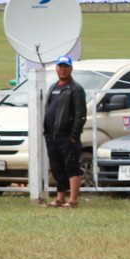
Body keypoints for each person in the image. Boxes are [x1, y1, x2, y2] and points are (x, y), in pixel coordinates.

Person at [43, 55, 86, 209]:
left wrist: (74, 136)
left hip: (67, 136)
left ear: (71, 69)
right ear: (56, 69)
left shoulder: (76, 89)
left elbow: (80, 114)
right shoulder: (53, 87)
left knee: (71, 166)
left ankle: (73, 200)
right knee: (57, 167)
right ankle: (60, 198)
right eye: (60, 67)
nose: (62, 70)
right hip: (52, 136)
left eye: (65, 67)